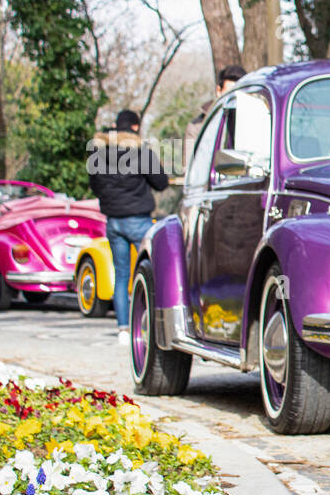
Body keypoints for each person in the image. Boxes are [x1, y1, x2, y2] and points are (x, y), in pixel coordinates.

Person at [86, 109, 168, 345]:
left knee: (121, 275)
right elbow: (160, 183)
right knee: (152, 270)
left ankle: (123, 329)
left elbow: (94, 185)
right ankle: (152, 322)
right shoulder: (140, 150)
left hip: (113, 220)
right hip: (138, 219)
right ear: (134, 127)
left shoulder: (99, 152)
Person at [184, 64, 246, 166]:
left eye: (239, 92)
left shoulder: (256, 123)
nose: (234, 98)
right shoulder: (197, 127)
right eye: (230, 92)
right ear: (219, 91)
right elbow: (189, 167)